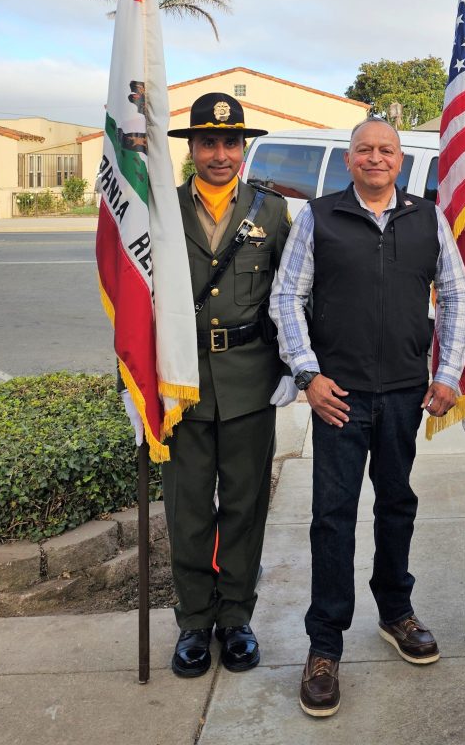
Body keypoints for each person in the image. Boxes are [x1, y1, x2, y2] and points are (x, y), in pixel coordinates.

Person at [270, 117, 465, 717]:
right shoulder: (318, 217)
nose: (376, 158)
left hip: (406, 393)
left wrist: (447, 373)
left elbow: (454, 295)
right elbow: (287, 297)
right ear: (350, 159)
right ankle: (324, 646)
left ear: (401, 161)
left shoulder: (427, 218)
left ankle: (396, 612)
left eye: (386, 150)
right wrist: (308, 374)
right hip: (338, 396)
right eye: (365, 150)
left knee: (396, 505)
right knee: (332, 517)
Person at [164, 92, 296, 678]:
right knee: (188, 510)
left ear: (243, 148)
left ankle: (237, 617)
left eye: (230, 142)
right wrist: (133, 383)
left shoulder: (272, 212)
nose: (220, 154)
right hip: (181, 385)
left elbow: (292, 295)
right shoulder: (161, 211)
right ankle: (195, 621)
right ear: (191, 148)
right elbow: (138, 300)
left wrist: (292, 367)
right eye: (208, 142)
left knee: (244, 506)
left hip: (249, 379)